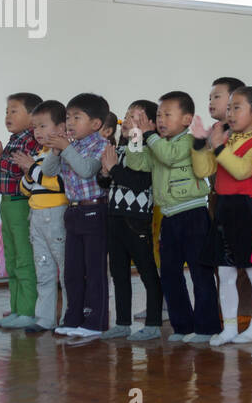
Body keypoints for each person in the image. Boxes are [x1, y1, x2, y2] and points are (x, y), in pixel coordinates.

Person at [125, 91, 219, 343]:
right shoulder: (156, 143)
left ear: (187, 119)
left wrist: (149, 135)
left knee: (200, 273)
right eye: (158, 115)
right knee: (169, 274)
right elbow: (137, 164)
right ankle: (182, 326)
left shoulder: (188, 142)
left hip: (193, 215)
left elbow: (169, 155)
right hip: (169, 217)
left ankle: (207, 327)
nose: (161, 120)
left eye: (168, 114)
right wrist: (135, 135)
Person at [198, 86, 252, 346]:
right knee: (226, 271)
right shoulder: (226, 140)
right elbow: (204, 170)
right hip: (223, 207)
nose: (230, 113)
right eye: (229, 108)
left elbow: (243, 171)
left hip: (246, 209)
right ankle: (229, 326)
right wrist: (202, 145)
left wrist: (219, 148)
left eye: (237, 107)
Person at [40, 92, 111, 339]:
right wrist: (56, 150)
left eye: (76, 117)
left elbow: (86, 170)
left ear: (95, 124)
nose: (69, 122)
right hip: (73, 211)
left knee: (94, 270)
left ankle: (96, 321)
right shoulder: (73, 144)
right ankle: (73, 317)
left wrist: (66, 148)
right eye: (68, 116)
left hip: (94, 210)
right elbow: (48, 171)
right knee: (72, 271)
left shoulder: (100, 144)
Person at [101, 100, 163, 342]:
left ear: (149, 124)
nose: (126, 121)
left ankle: (154, 323)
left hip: (136, 219)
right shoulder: (120, 149)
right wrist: (105, 174)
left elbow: (139, 183)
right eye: (126, 116)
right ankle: (122, 323)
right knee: (118, 272)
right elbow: (109, 182)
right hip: (115, 216)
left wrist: (114, 169)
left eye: (134, 117)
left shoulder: (146, 150)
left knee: (147, 271)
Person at [0, 92, 42, 330]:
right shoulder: (13, 139)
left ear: (32, 115)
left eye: (14, 111)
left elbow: (21, 171)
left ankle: (28, 311)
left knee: (24, 258)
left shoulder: (31, 140)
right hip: (6, 202)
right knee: (12, 258)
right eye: (7, 111)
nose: (8, 116)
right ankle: (16, 309)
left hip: (22, 201)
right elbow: (0, 172)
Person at [16, 101, 68, 334]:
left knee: (66, 271)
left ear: (61, 127)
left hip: (56, 216)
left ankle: (68, 318)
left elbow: (59, 184)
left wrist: (32, 171)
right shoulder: (38, 155)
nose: (37, 132)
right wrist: (30, 171)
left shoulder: (62, 153)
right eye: (35, 127)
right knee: (43, 270)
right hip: (36, 217)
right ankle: (44, 318)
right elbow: (26, 189)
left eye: (43, 126)